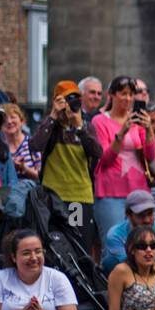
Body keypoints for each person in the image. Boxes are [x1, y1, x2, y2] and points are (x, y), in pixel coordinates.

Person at [32, 81, 103, 250]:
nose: (71, 104)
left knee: (78, 245)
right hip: (53, 198)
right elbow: (35, 146)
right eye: (67, 99)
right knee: (54, 244)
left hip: (78, 197)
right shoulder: (50, 126)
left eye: (75, 99)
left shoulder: (86, 126)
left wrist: (79, 126)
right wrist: (53, 116)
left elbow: (97, 152)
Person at [92, 76, 155, 238]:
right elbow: (105, 160)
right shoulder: (99, 121)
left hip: (139, 190)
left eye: (131, 94)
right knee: (113, 240)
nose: (128, 98)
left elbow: (151, 156)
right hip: (110, 191)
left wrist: (149, 129)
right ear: (112, 95)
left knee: (142, 240)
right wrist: (122, 132)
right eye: (123, 94)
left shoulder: (138, 121)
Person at [101, 190, 155, 274]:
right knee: (110, 262)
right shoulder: (116, 234)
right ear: (128, 214)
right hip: (124, 274)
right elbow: (127, 264)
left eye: (150, 214)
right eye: (141, 215)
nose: (146, 220)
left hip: (153, 271)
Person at [2, 103, 42, 182]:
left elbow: (41, 176)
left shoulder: (32, 144)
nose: (9, 121)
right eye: (4, 119)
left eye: (13, 117)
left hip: (30, 192)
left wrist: (24, 169)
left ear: (22, 121)